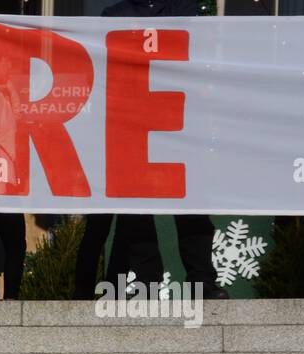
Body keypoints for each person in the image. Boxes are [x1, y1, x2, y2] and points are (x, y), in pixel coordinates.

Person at [72, 0, 224, 300]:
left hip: (179, 121)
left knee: (191, 208)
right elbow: (104, 66)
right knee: (136, 214)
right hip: (132, 125)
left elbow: (200, 54)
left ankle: (203, 282)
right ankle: (147, 282)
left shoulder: (186, 9)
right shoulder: (114, 15)